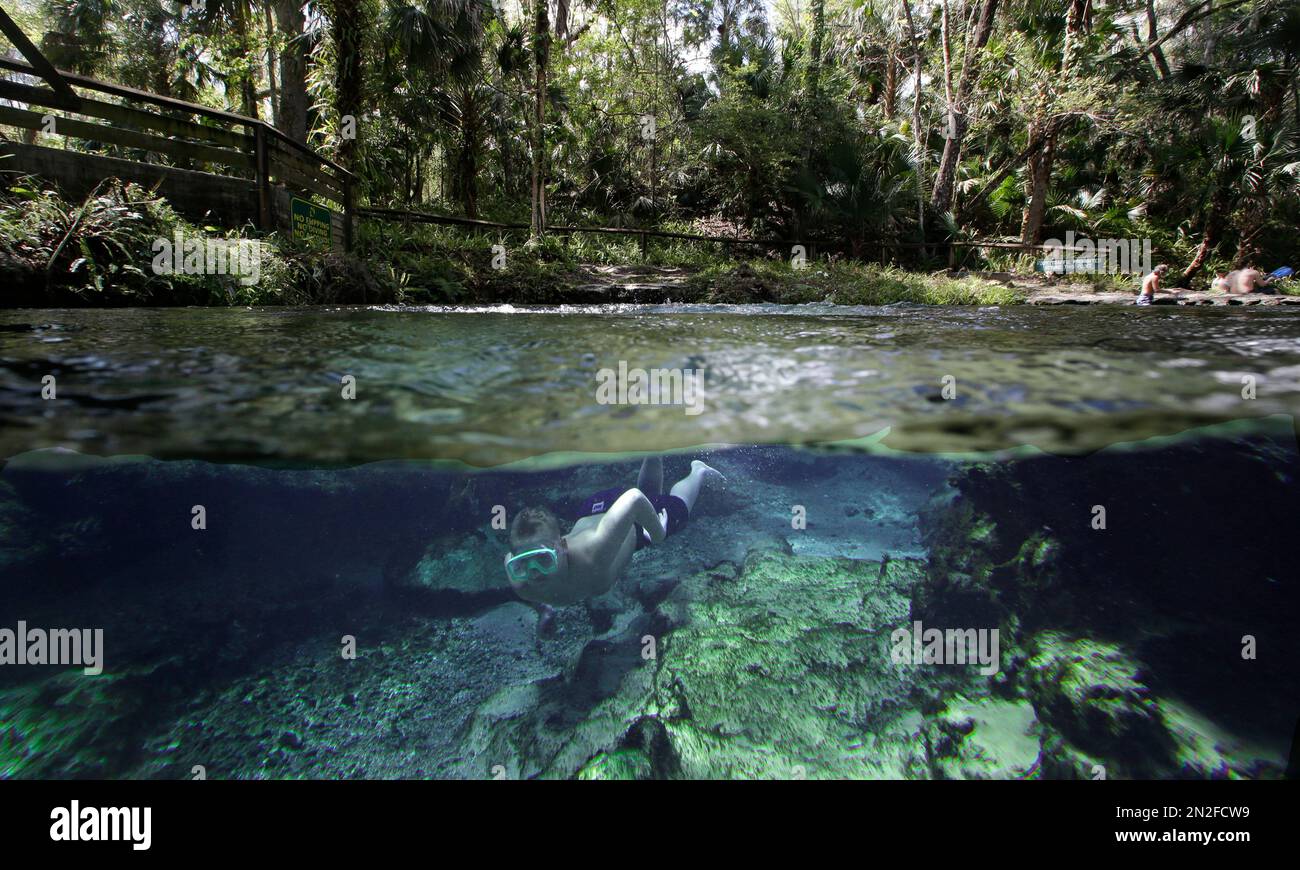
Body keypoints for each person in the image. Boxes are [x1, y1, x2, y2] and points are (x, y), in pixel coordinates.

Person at [503, 456, 724, 609]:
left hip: (619, 517)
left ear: (562, 546)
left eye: (543, 559)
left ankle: (698, 469)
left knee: (679, 511)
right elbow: (508, 558)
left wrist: (658, 534)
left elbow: (635, 498)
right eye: (523, 564)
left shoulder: (594, 552)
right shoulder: (523, 586)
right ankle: (655, 447)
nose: (534, 572)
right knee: (651, 496)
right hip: (593, 510)